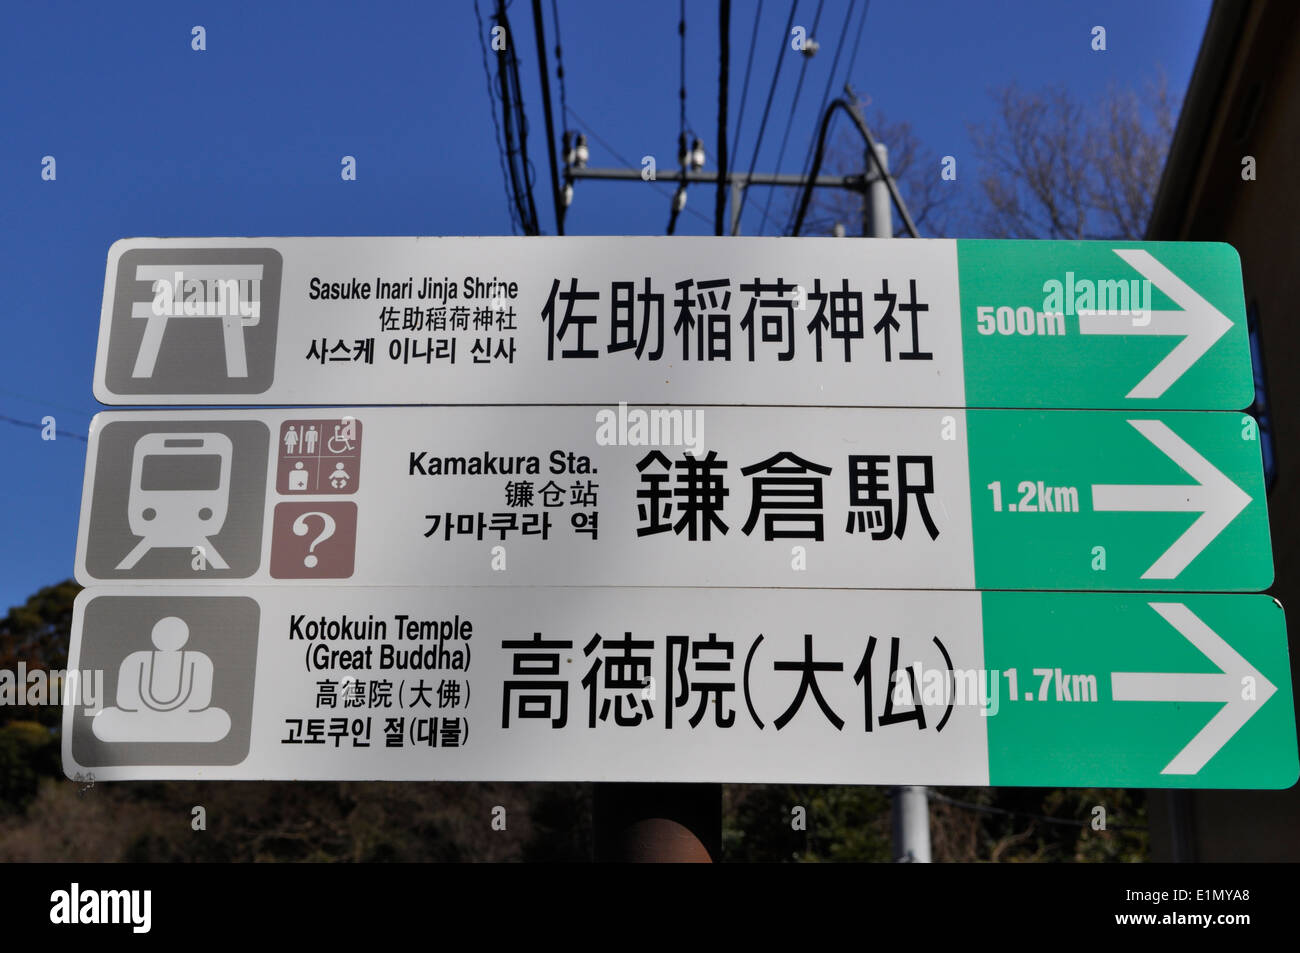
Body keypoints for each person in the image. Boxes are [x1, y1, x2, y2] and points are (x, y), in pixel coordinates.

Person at [92, 616, 231, 743]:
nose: (169, 639)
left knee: (221, 719)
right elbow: (125, 703)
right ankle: (158, 730)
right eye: (164, 634)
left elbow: (200, 703)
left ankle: (162, 731)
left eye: (174, 635)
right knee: (102, 720)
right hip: (142, 719)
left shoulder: (199, 660)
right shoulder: (136, 659)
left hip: (183, 720)